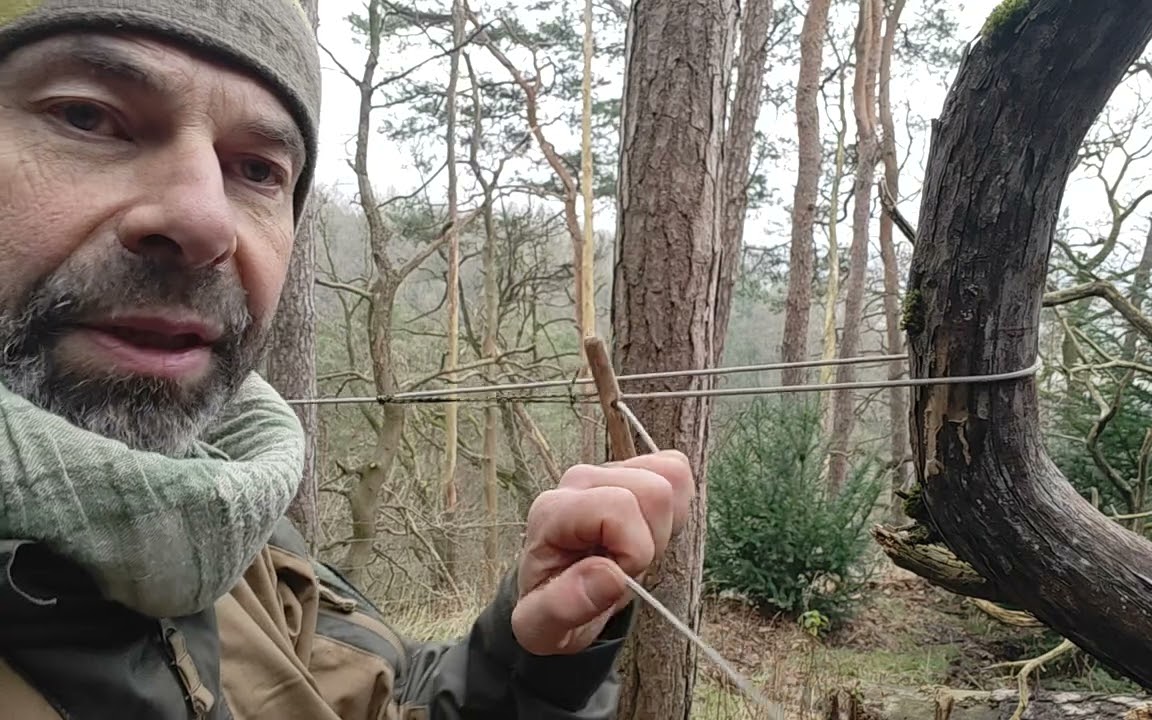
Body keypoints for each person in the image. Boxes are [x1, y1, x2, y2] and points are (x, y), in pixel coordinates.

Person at [0, 1, 694, 718]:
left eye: (257, 169)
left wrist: (529, 663)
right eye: (87, 116)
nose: (206, 221)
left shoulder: (228, 518)